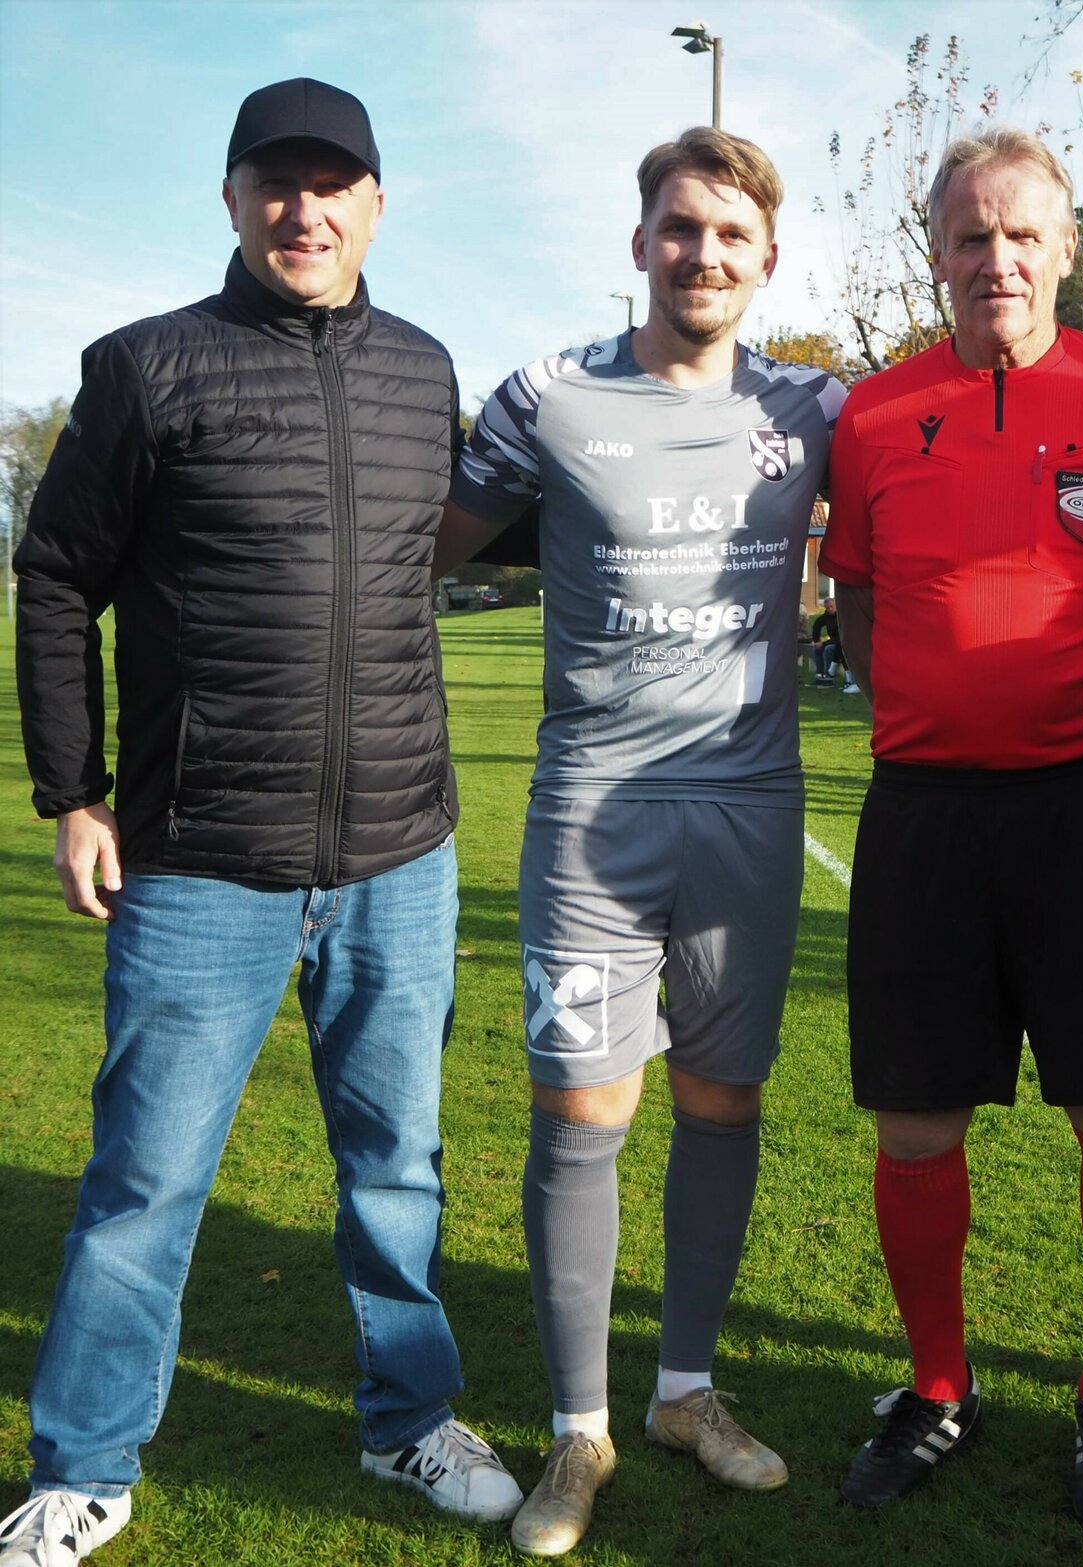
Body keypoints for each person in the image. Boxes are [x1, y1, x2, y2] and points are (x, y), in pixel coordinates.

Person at [1, 79, 522, 1567]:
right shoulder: (149, 367)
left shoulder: (427, 372)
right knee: (143, 1181)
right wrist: (74, 793)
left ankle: (409, 1413)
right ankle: (87, 1459)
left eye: (333, 183)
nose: (305, 211)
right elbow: (54, 580)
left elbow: (488, 539)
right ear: (233, 200)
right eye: (275, 184)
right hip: (197, 863)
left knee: (400, 1167)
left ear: (376, 201)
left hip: (402, 858)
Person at [435, 127, 844, 1558]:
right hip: (591, 822)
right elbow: (416, 539)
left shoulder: (816, 410)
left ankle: (684, 1391)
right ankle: (578, 1428)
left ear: (769, 260)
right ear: (641, 243)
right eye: (681, 228)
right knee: (584, 1117)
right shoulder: (549, 396)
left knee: (723, 1107)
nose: (705, 255)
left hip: (748, 814)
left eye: (733, 236)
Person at [820, 127, 1083, 1528]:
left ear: (1066, 246)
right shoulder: (871, 416)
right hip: (926, 812)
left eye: (1022, 234)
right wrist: (945, 698)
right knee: (916, 1122)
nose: (998, 260)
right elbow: (857, 605)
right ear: (935, 251)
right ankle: (937, 1384)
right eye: (971, 237)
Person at [810, 598, 841, 684]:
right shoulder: (826, 616)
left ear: (836, 605)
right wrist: (817, 640)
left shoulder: (841, 617)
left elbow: (840, 637)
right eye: (827, 608)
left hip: (841, 643)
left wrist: (823, 643)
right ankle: (819, 675)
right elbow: (817, 625)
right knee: (816, 649)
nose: (830, 609)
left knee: (828, 649)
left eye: (831, 607)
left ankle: (828, 677)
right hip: (833, 641)